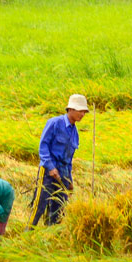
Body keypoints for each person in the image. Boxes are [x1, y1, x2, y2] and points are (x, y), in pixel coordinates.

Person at [31, 94, 90, 227]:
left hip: (63, 174)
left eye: (84, 112)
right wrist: (51, 167)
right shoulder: (54, 123)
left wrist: (69, 180)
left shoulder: (75, 133)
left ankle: (50, 236)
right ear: (70, 110)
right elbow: (43, 146)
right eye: (80, 111)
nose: (82, 114)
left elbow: (69, 160)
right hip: (47, 172)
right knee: (39, 206)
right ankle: (27, 233)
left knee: (58, 210)